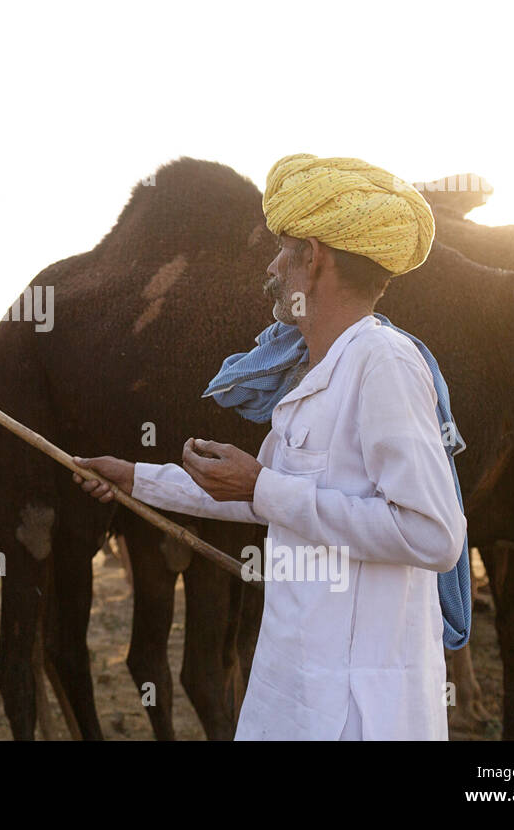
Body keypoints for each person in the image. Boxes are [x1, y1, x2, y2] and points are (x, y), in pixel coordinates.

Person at [73, 153, 467, 740]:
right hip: (296, 689)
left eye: (284, 250)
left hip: (359, 709)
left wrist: (263, 486)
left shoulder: (383, 364)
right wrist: (134, 478)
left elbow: (433, 533)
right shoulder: (316, 371)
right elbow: (263, 495)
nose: (272, 267)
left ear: (315, 260)